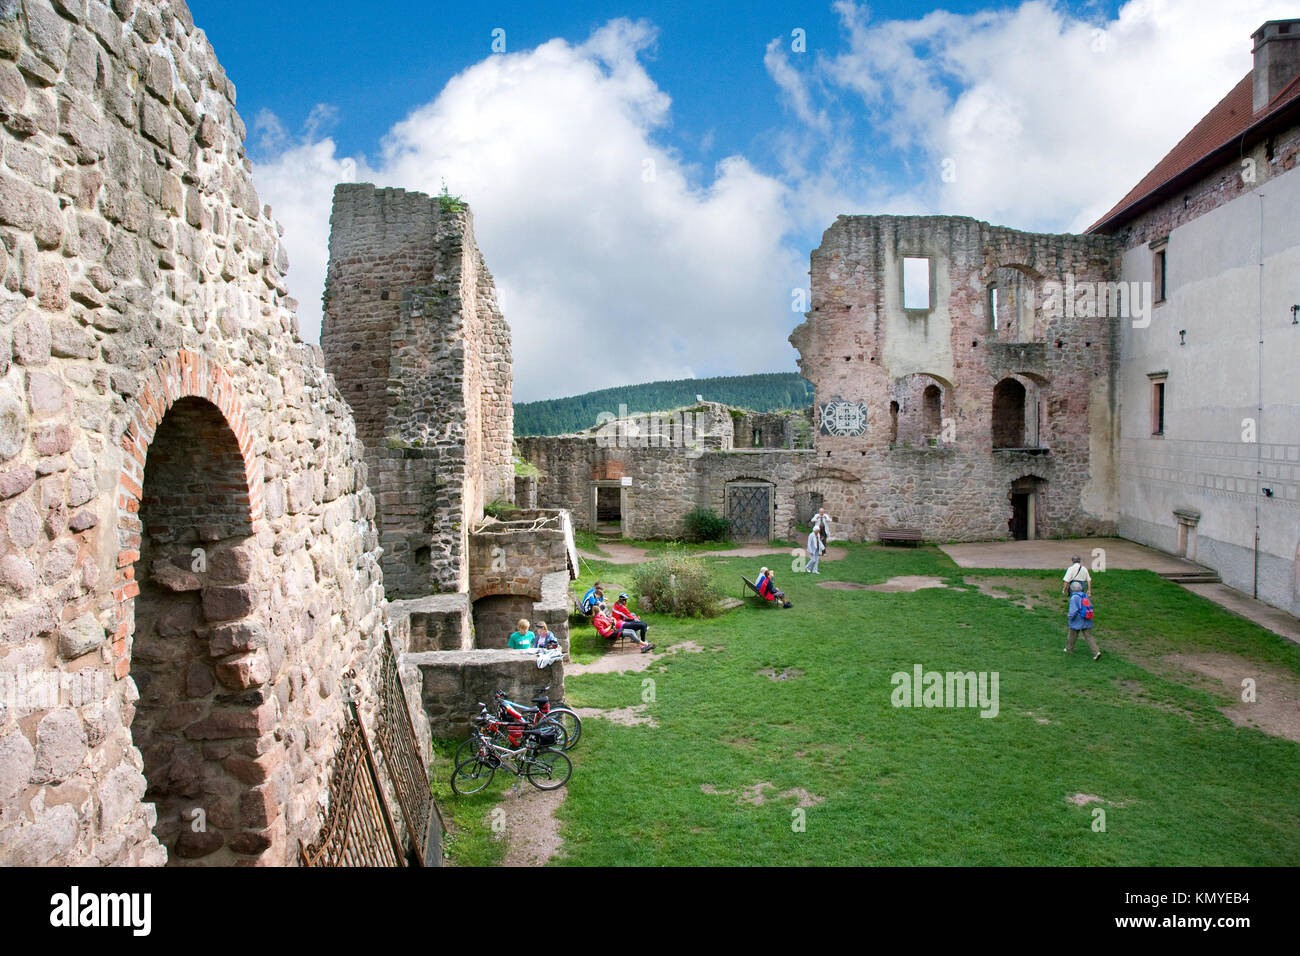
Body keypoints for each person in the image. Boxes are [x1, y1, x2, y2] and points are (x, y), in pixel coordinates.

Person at [1066, 589, 1101, 660]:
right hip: (1087, 619)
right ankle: (1096, 652)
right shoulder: (1085, 595)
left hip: (1077, 620)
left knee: (1072, 634)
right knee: (1088, 636)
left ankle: (1069, 649)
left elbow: (1073, 611)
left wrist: (1070, 618)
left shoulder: (1074, 597)